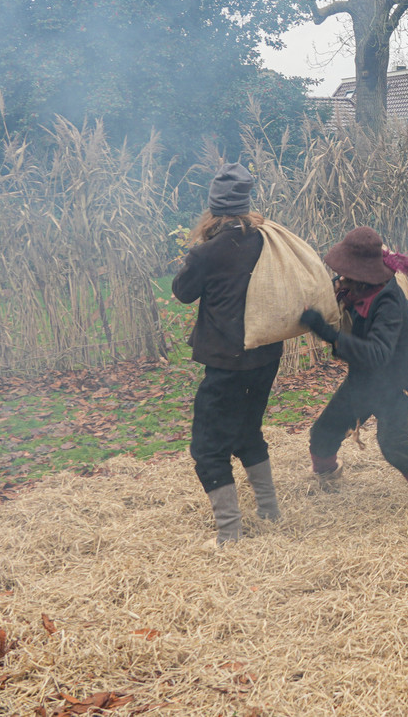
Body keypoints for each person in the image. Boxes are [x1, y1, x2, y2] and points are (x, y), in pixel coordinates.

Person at [299, 227, 408, 529]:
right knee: (324, 432)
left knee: (394, 445)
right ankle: (327, 476)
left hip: (398, 381)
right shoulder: (355, 287)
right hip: (368, 376)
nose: (341, 275)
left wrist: (325, 332)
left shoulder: (387, 302)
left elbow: (376, 353)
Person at [171, 163, 283, 547]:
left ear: (214, 208)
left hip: (226, 363)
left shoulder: (208, 252)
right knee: (248, 430)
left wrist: (191, 257)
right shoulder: (267, 240)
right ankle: (269, 511)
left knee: (207, 448)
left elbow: (182, 292)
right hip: (266, 356)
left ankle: (229, 534)